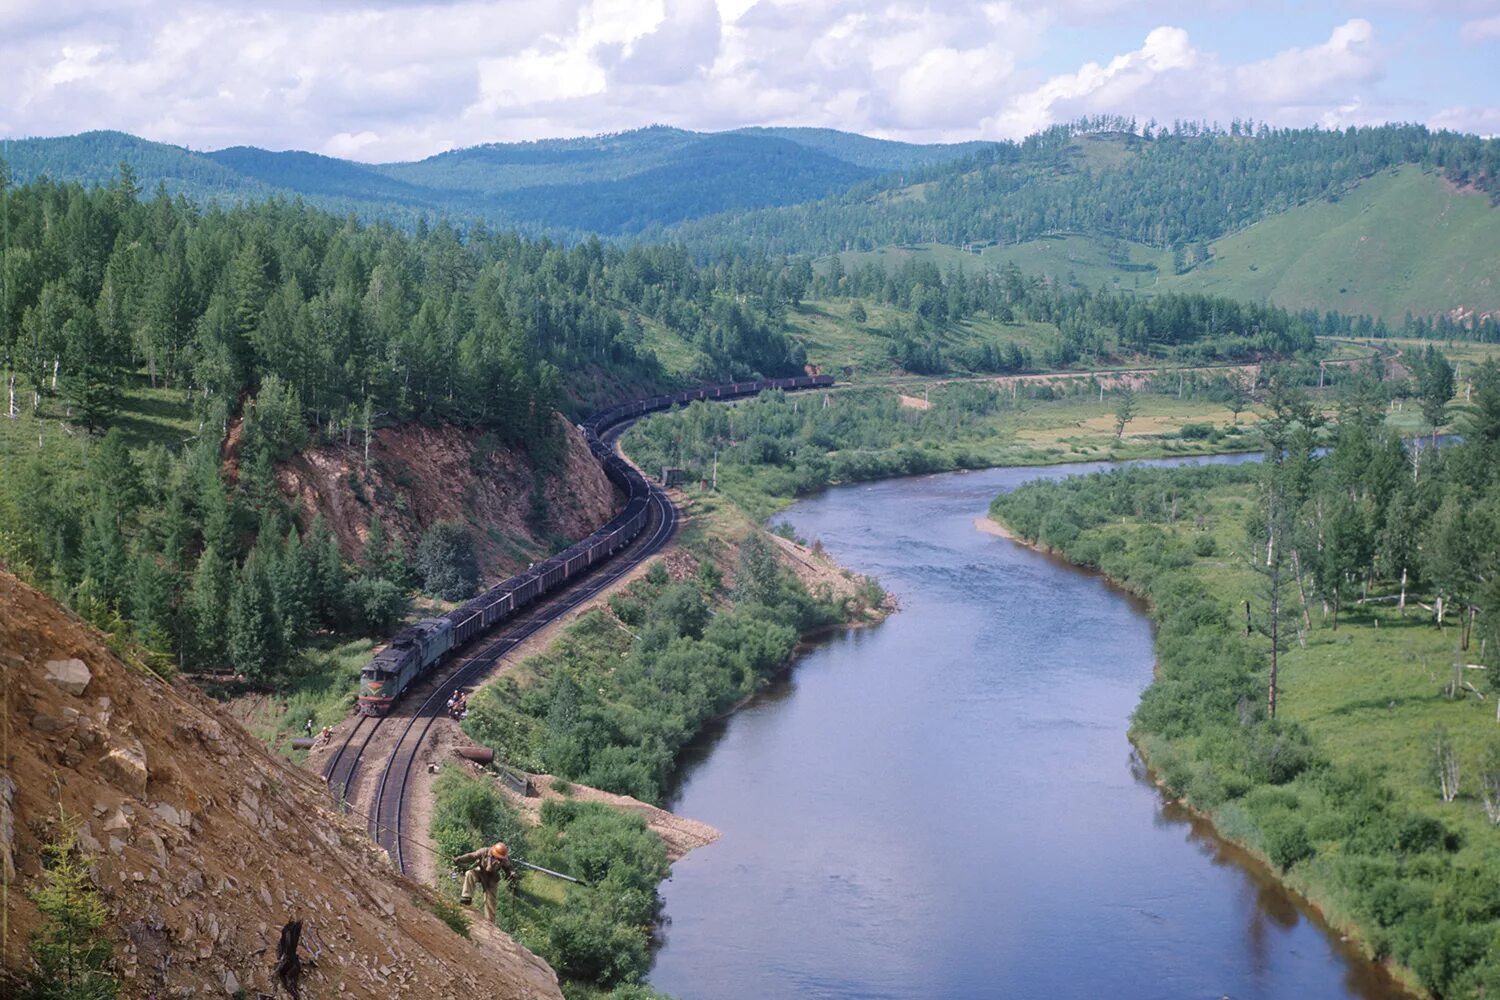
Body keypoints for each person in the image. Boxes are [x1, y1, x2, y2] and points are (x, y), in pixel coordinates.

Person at [455, 841, 518, 922]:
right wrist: (460, 859)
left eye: (500, 858)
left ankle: (490, 922)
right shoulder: (484, 851)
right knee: (469, 874)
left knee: (491, 902)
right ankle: (466, 897)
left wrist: (512, 874)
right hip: (480, 872)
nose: (499, 859)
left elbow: (509, 868)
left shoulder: (503, 859)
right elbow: (471, 856)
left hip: (492, 879)